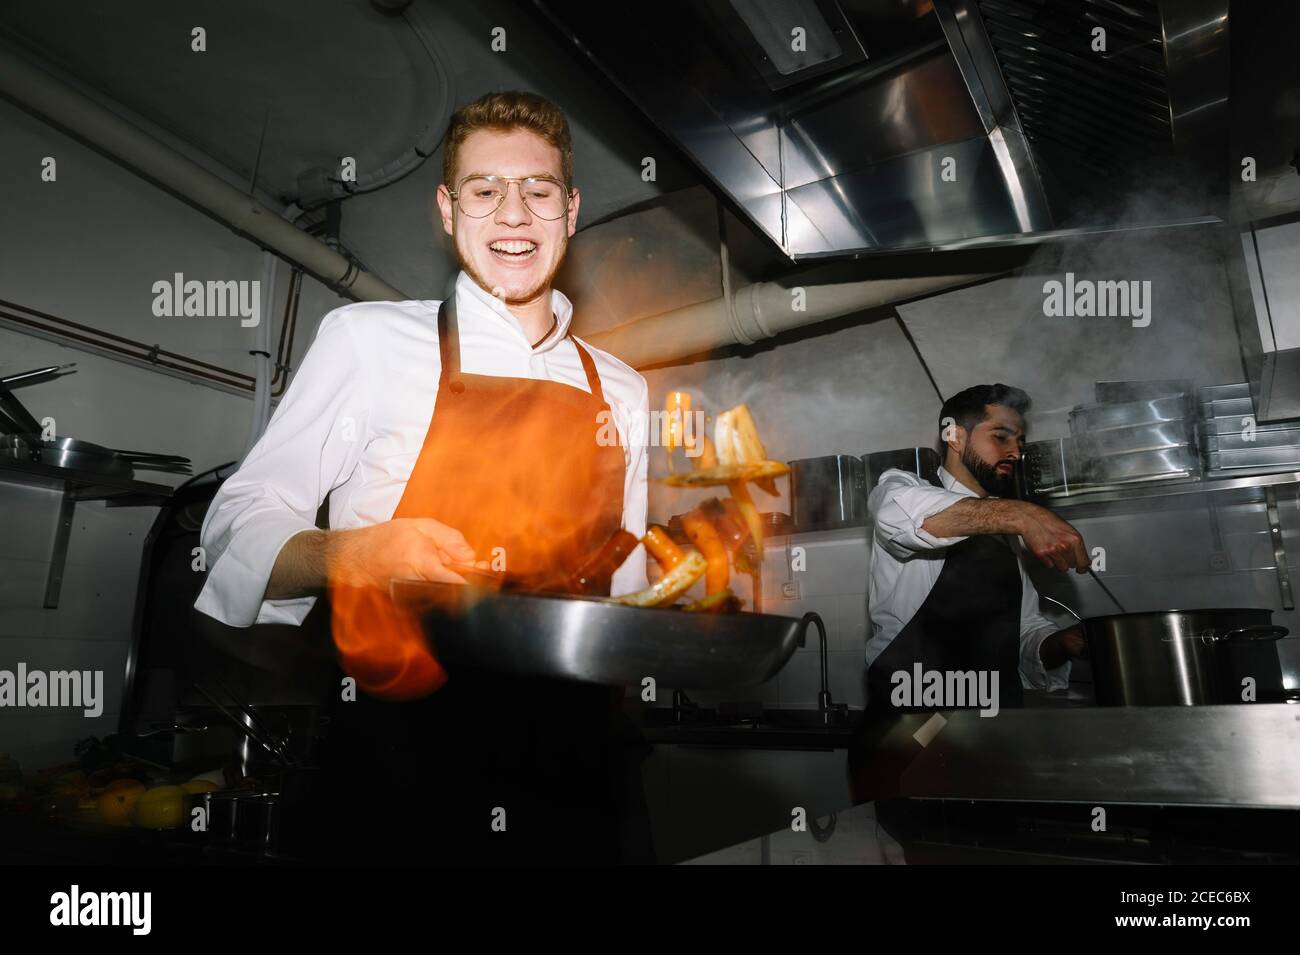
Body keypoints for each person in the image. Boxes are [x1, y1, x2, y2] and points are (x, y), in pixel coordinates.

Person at [194, 91, 652, 864]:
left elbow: (629, 592)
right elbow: (235, 523)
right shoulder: (369, 341)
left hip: (580, 771)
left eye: (537, 191)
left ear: (569, 212)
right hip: (402, 764)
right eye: (485, 191)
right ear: (447, 209)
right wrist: (353, 554)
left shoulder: (624, 389)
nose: (513, 214)